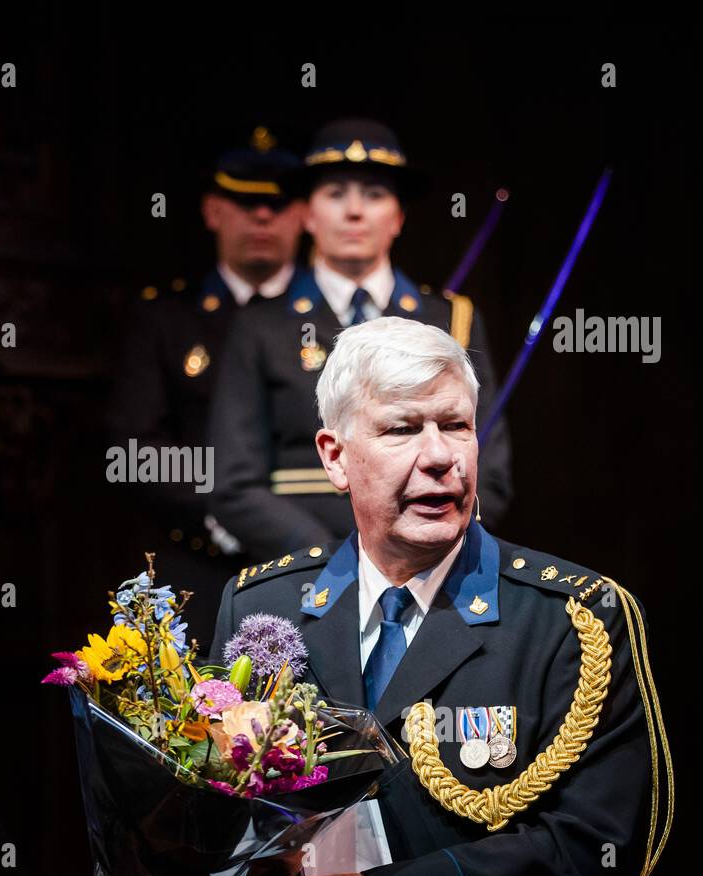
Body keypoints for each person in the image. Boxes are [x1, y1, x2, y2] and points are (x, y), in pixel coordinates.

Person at [208, 317, 670, 876]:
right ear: (335, 457)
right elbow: (213, 829)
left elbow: (598, 851)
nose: (439, 457)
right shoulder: (261, 608)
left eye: (455, 425)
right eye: (402, 429)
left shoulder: (576, 619)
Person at [209, 118, 513, 563]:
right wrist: (333, 560)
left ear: (399, 216)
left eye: (374, 195)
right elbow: (233, 483)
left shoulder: (451, 320)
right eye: (335, 194)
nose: (354, 211)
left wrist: (428, 542)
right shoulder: (261, 325)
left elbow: (490, 472)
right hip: (304, 569)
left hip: (429, 563)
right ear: (307, 215)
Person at [106, 126, 304, 649]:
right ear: (213, 209)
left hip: (316, 560)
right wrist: (224, 502)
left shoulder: (330, 323)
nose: (262, 216)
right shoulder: (166, 317)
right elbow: (132, 454)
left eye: (280, 203)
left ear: (304, 214)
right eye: (243, 201)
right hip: (196, 564)